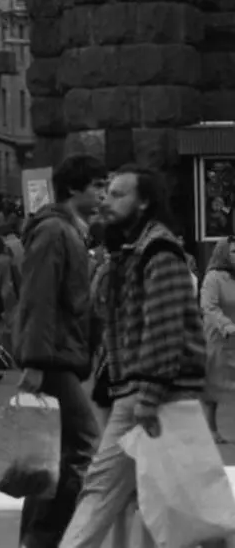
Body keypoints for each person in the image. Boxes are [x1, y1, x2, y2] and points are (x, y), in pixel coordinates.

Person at [58, 167, 207, 548]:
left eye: (119, 194)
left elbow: (165, 325)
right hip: (145, 391)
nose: (106, 201)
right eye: (107, 192)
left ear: (144, 202)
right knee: (163, 498)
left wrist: (148, 395)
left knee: (106, 487)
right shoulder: (129, 251)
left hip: (153, 394)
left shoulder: (159, 250)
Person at [14, 153, 108, 548]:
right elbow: (39, 297)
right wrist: (34, 362)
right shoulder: (55, 231)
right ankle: (49, 536)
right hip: (53, 356)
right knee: (83, 445)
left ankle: (41, 536)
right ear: (74, 188)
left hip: (61, 353)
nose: (104, 194)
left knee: (55, 452)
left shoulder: (70, 230)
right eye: (98, 186)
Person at [200, 236, 235, 443]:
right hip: (218, 337)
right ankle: (211, 428)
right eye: (233, 252)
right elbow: (209, 306)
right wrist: (227, 326)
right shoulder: (213, 277)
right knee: (214, 385)